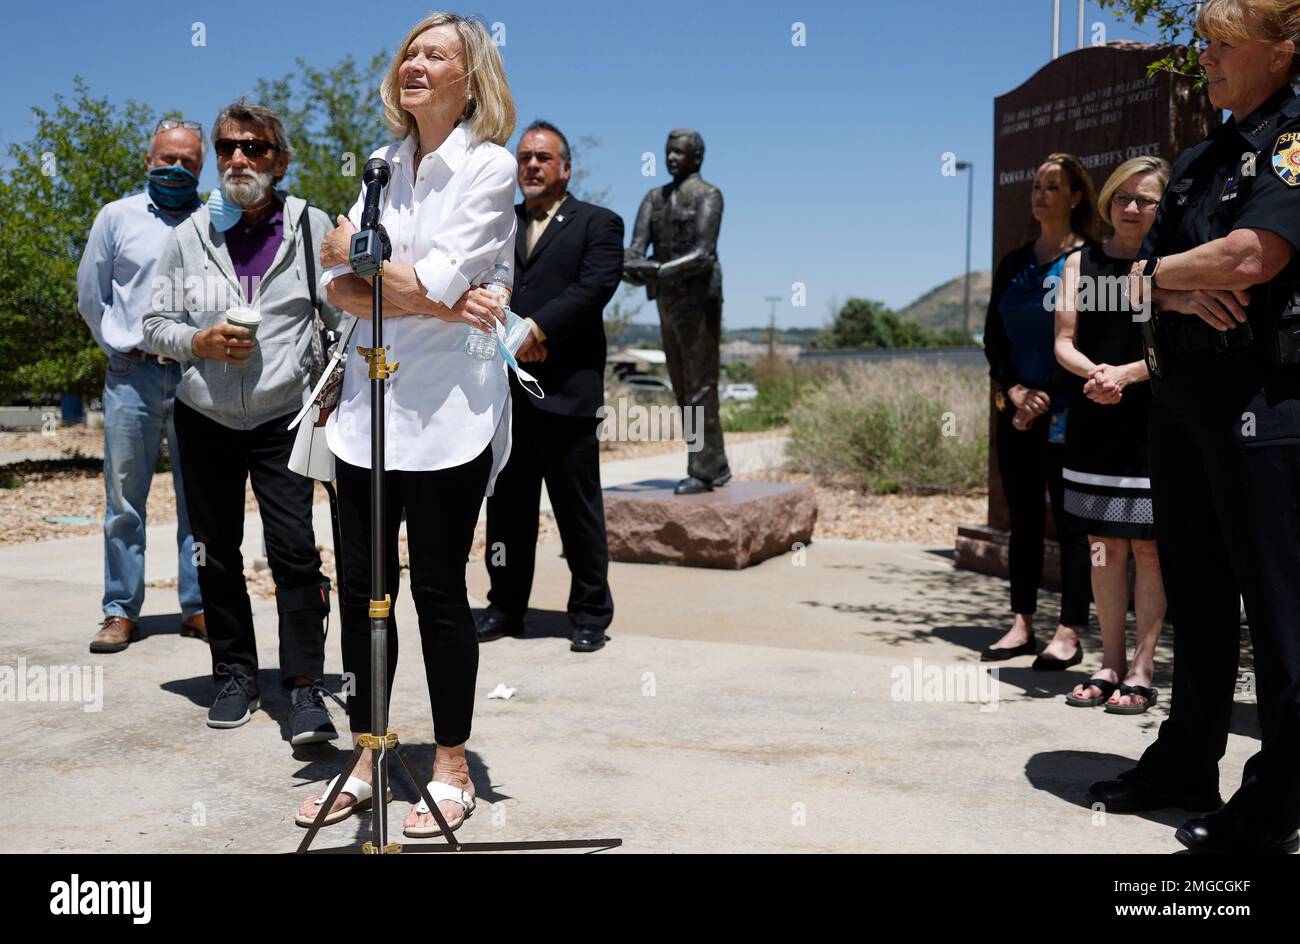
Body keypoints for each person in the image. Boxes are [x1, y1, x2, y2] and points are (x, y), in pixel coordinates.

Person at [294, 12, 518, 839]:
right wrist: (443, 299)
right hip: (368, 407)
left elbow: (391, 270)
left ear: (469, 76)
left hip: (452, 412)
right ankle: (367, 754)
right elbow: (336, 286)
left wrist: (393, 275)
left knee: (436, 591)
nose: (414, 64)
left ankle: (450, 760)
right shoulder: (381, 166)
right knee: (362, 590)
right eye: (408, 53)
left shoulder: (491, 168)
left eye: (434, 54)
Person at [1089, 0, 1300, 854]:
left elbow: (1253, 256)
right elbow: (1137, 279)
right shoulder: (1200, 158)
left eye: (1222, 46)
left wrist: (1157, 274)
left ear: (1283, 51)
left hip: (1265, 402)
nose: (1205, 58)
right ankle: (1184, 761)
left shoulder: (1293, 141)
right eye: (1203, 44)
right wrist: (1167, 281)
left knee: (1282, 615)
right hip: (1183, 400)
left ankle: (1276, 800)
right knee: (1201, 603)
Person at [143, 101, 345, 746]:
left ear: (279, 161)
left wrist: (333, 390)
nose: (238, 159)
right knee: (216, 550)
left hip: (284, 415)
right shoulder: (189, 234)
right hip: (203, 416)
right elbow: (153, 326)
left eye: (255, 149)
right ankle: (233, 672)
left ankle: (305, 687)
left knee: (292, 550)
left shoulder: (312, 229)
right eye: (229, 147)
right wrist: (197, 342)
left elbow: (342, 321)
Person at [475, 120, 624, 653]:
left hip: (568, 392)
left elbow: (593, 288)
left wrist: (538, 330)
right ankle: (505, 607)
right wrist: (513, 333)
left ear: (565, 168)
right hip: (506, 395)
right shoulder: (498, 224)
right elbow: (479, 285)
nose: (532, 165)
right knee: (507, 511)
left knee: (577, 511)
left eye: (543, 157)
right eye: (524, 158)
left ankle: (588, 614)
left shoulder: (599, 223)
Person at [77, 118, 208, 654]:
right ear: (148, 162)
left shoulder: (214, 219)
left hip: (197, 375)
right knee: (125, 499)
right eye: (167, 160)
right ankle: (119, 611)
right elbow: (92, 295)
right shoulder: (117, 217)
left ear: (202, 167)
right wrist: (119, 348)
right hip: (132, 375)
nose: (177, 169)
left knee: (197, 500)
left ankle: (198, 607)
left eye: (189, 162)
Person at [1054, 157, 1171, 713]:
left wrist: (1127, 375)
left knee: (1148, 548)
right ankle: (1109, 662)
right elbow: (1064, 341)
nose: (1131, 208)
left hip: (1155, 418)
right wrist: (1098, 374)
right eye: (1122, 196)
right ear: (1106, 201)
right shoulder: (1080, 262)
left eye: (1145, 199)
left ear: (1161, 205)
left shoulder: (1170, 264)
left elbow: (1178, 342)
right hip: (1095, 414)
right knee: (1103, 547)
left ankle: (1143, 670)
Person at [981, 153, 1096, 669]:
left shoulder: (1090, 262)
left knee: (1073, 523)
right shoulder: (1013, 263)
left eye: (1053, 187)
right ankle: (1022, 623)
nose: (1041, 195)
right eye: (1036, 185)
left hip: (1072, 412)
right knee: (1024, 519)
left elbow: (1089, 337)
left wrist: (1047, 393)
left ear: (1075, 197)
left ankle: (1070, 629)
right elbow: (993, 339)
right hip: (1017, 410)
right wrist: (1016, 391)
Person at [622, 129, 731, 494]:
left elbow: (703, 253)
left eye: (679, 153)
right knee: (683, 386)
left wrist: (656, 270)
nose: (671, 159)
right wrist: (632, 265)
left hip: (699, 302)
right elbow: (636, 247)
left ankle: (702, 470)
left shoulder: (709, 195)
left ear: (696, 158)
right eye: (668, 152)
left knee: (700, 386)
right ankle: (716, 464)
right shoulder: (654, 198)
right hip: (667, 301)